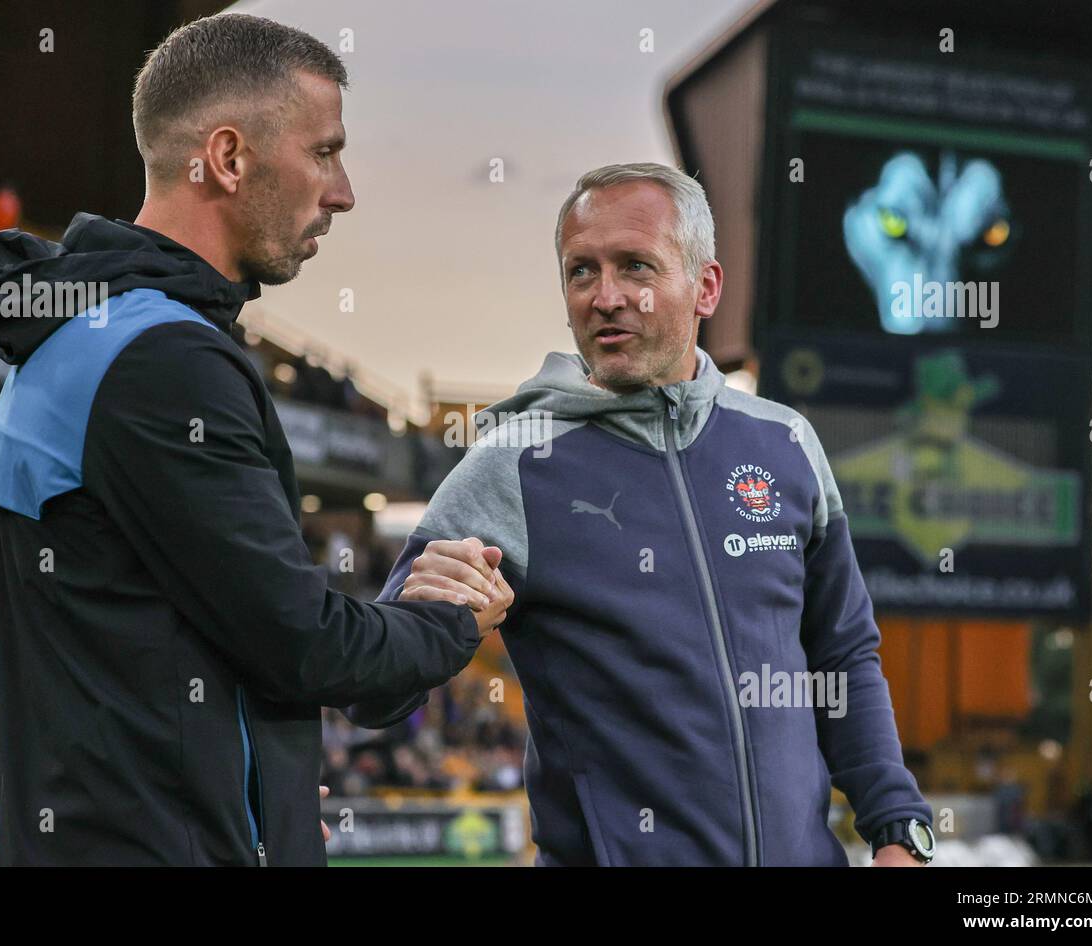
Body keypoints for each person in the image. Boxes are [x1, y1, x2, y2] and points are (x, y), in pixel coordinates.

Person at [0, 13, 510, 866]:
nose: (344, 190)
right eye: (324, 152)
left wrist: (266, 806)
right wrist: (448, 621)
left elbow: (167, 641)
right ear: (226, 157)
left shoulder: (88, 328)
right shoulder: (165, 358)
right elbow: (301, 645)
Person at [347, 163, 934, 866]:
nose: (605, 296)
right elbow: (369, 692)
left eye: (635, 266)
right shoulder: (513, 464)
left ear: (705, 287)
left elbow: (843, 654)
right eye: (581, 272)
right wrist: (435, 620)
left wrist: (899, 829)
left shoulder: (785, 443)